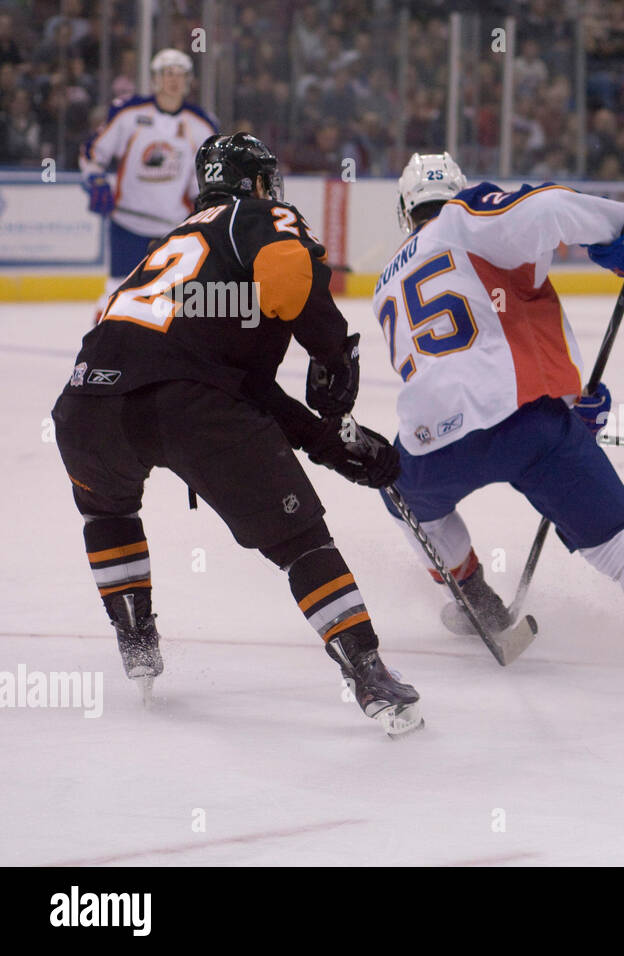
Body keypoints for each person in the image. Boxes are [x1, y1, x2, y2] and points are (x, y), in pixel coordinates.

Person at [52, 132, 422, 736]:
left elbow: (242, 385)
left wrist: (329, 445)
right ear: (255, 182)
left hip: (86, 403)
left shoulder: (172, 242)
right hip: (190, 410)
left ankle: (138, 646)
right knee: (301, 540)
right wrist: (331, 355)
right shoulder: (256, 217)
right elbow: (285, 272)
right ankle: (369, 673)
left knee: (106, 510)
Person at [372, 152, 624, 690]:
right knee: (621, 540)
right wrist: (619, 229)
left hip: (435, 440)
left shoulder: (386, 280)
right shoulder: (467, 216)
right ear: (457, 192)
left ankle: (473, 596)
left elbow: (469, 351)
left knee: (399, 493)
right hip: (529, 425)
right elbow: (551, 206)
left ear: (404, 210)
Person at [79, 49, 218, 323]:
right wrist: (95, 179)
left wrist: (205, 207)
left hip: (174, 227)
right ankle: (103, 349)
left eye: (180, 74)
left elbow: (202, 178)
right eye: (167, 73)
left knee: (173, 300)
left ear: (189, 80)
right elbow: (92, 153)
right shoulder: (128, 113)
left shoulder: (202, 124)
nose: (173, 80)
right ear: (154, 78)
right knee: (117, 291)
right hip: (128, 222)